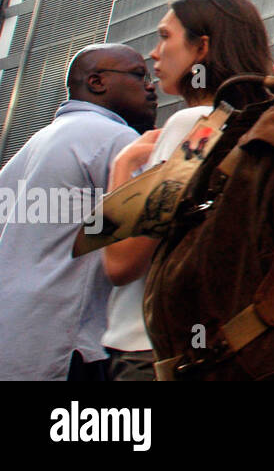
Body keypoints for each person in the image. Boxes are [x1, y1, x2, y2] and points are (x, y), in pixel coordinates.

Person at [100, 0, 273, 381]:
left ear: (201, 48)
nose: (153, 53)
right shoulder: (253, 123)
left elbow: (120, 262)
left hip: (149, 350)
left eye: (165, 37)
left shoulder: (196, 126)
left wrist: (122, 166)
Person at [0, 44, 157, 380]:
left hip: (16, 341)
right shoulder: (114, 138)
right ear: (97, 82)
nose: (151, 86)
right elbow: (128, 240)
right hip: (67, 344)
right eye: (138, 75)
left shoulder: (35, 144)